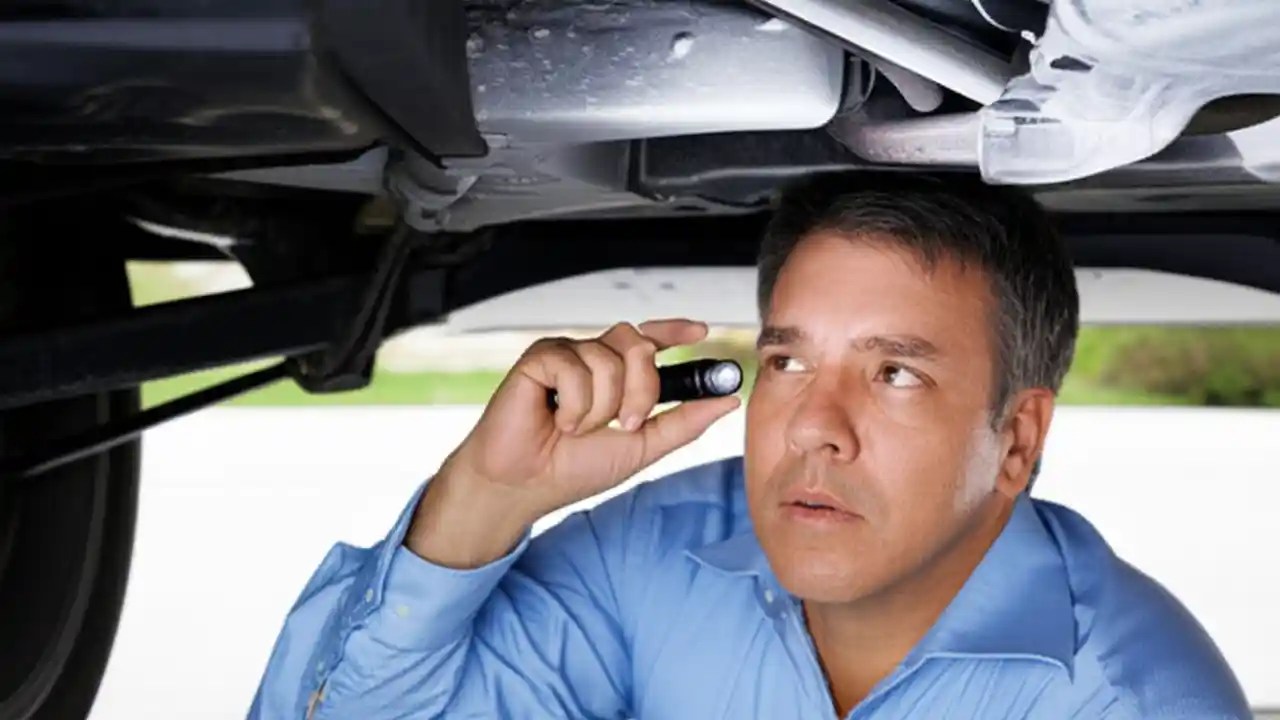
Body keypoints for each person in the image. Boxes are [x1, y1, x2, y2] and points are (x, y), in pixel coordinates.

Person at [250, 175, 1249, 719]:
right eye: (787, 363)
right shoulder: (642, 560)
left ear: (1016, 436)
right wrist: (481, 500)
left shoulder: (1128, 699)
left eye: (893, 372)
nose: (815, 426)